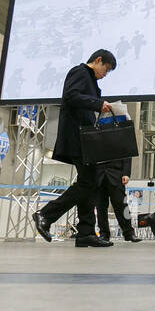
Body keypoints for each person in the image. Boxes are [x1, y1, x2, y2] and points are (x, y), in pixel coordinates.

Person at [33, 50, 116, 247]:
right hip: (76, 136)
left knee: (90, 181)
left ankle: (86, 231)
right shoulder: (79, 72)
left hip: (85, 137)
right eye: (106, 68)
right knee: (89, 182)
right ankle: (45, 214)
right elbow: (71, 96)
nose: (106, 73)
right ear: (98, 60)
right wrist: (98, 103)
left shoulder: (91, 80)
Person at [94, 159, 138, 243]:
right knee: (100, 206)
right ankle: (104, 234)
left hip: (116, 173)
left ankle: (129, 232)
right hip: (98, 173)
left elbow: (127, 154)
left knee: (122, 205)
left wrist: (126, 173)